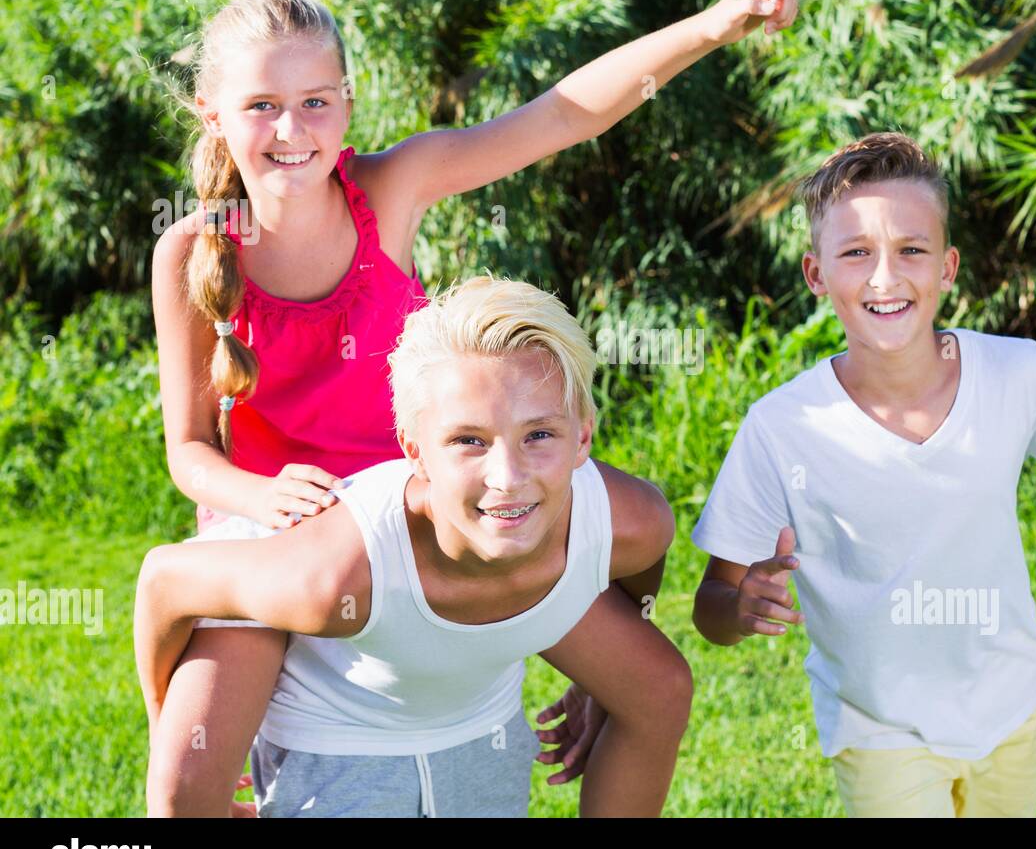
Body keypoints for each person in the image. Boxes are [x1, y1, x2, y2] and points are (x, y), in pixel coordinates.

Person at [150, 0, 795, 815]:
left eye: (315, 101)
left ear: (347, 101)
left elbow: (563, 113)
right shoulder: (191, 252)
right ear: (212, 114)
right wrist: (263, 496)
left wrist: (712, 26)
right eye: (262, 105)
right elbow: (190, 451)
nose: (291, 129)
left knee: (652, 673)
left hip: (429, 502)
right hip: (282, 528)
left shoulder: (391, 187)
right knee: (184, 789)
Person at [690, 132, 1036, 818]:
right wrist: (739, 611)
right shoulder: (781, 426)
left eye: (910, 250)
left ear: (946, 268)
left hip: (1009, 709)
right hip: (876, 727)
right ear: (816, 274)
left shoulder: (1019, 375)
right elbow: (712, 601)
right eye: (856, 252)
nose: (885, 277)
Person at [138, 276, 689, 817]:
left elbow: (635, 597)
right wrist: (166, 723)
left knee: (661, 687)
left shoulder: (632, 525)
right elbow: (165, 578)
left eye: (539, 434)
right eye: (468, 441)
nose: (508, 476)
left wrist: (602, 682)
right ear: (415, 452)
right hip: (335, 723)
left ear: (583, 438)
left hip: (468, 720)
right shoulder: (330, 576)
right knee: (184, 781)